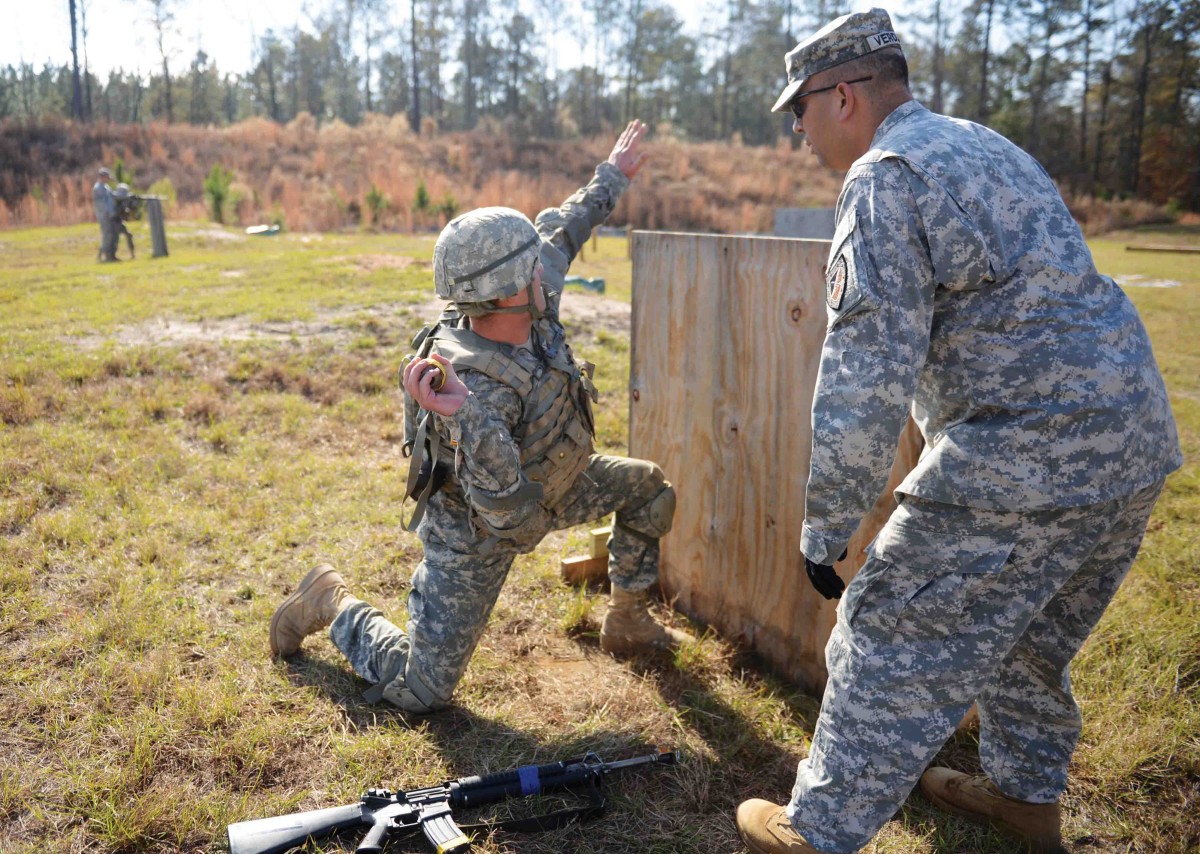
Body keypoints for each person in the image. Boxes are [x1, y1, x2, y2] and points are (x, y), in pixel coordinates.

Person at [735, 8, 1183, 854]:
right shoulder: (984, 143)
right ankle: (1022, 803)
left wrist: (825, 528)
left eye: (799, 109)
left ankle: (816, 831)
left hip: (1022, 460)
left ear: (842, 98)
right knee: (1026, 641)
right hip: (1130, 448)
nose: (796, 129)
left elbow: (866, 377)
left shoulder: (883, 177)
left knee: (884, 627)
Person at [268, 120, 695, 714]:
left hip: (555, 480)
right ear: (504, 291)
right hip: (479, 528)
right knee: (422, 690)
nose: (540, 271)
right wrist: (465, 417)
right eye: (528, 269)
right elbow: (514, 524)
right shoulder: (467, 386)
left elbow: (562, 228)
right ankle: (329, 601)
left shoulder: (523, 294)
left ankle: (626, 620)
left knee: (649, 490)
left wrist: (612, 176)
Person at [92, 167, 117, 262]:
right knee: (107, 235)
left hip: (110, 215)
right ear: (102, 177)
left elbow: (112, 197)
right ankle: (104, 256)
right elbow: (101, 204)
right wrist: (108, 213)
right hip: (104, 216)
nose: (108, 179)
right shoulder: (98, 188)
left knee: (110, 235)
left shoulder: (106, 187)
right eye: (107, 177)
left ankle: (110, 255)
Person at [111, 183, 136, 260]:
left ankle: (132, 254)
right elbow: (118, 212)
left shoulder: (123, 200)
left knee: (129, 235)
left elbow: (127, 213)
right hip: (114, 221)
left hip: (119, 221)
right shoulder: (115, 199)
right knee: (114, 239)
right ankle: (111, 256)